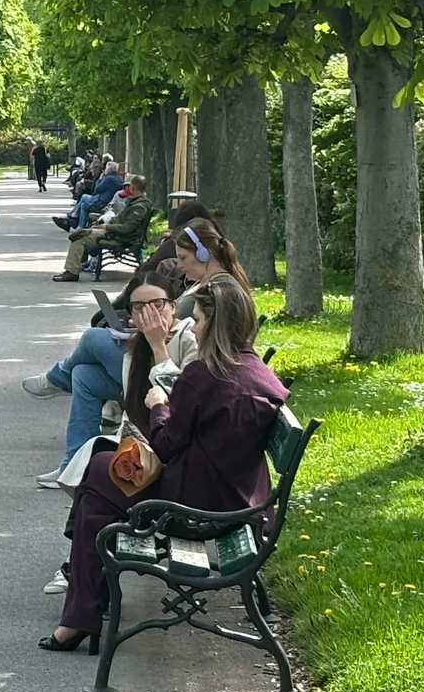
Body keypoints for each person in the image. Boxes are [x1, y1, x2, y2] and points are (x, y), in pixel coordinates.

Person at [41, 272, 287, 652]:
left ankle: (81, 612)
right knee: (100, 475)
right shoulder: (256, 372)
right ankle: (81, 607)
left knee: (96, 486)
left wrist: (158, 406)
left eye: (201, 321)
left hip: (196, 509)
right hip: (240, 501)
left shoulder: (205, 375)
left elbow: (167, 443)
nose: (197, 327)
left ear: (217, 324)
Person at [21, 261, 196, 485]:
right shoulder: (138, 340)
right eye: (140, 307)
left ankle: (56, 379)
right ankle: (73, 465)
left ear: (173, 306)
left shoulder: (188, 336)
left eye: (158, 304)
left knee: (93, 337)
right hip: (137, 416)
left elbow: (182, 395)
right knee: (83, 374)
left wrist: (158, 345)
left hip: (165, 424)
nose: (149, 312)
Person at [51, 174, 154, 282]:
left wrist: (107, 227)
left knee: (79, 236)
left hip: (122, 238)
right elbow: (120, 219)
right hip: (119, 234)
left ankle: (71, 272)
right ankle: (79, 264)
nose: (127, 189)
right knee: (85, 231)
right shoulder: (137, 202)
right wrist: (103, 222)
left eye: (130, 187)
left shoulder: (139, 207)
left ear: (134, 188)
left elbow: (127, 228)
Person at [57, 155, 124, 231]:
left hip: (102, 202)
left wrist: (101, 179)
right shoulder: (119, 178)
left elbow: (97, 189)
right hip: (107, 201)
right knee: (84, 205)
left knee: (84, 197)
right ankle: (79, 226)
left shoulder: (108, 179)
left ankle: (74, 217)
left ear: (108, 169)